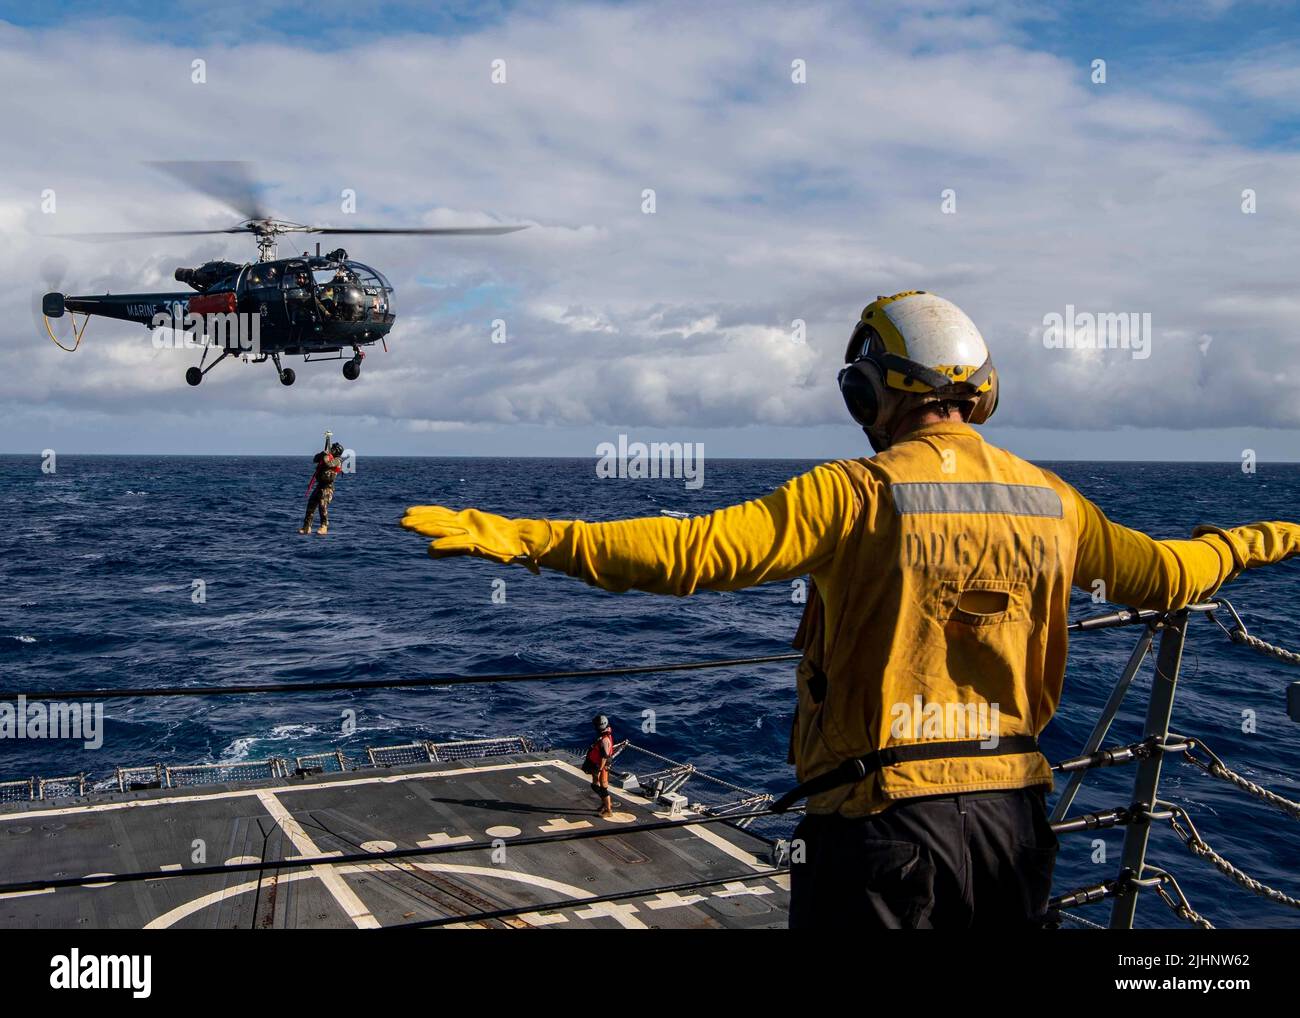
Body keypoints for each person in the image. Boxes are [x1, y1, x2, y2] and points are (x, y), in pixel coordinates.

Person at [398, 290, 1300, 928]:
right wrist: (1275, 536)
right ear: (979, 392)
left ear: (869, 392)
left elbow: (687, 554)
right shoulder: (1055, 504)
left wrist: (520, 536)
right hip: (1015, 825)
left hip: (884, 829)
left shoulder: (856, 495)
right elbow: (1177, 572)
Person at [300, 441, 344, 535]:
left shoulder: (337, 460)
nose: (331, 449)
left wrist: (326, 456)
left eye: (333, 449)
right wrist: (322, 454)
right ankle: (306, 527)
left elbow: (329, 464)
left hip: (327, 488)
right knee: (311, 505)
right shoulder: (327, 456)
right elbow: (315, 459)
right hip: (319, 486)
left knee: (322, 506)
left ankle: (324, 526)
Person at [583, 714, 616, 817]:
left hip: (601, 766)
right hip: (596, 764)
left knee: (603, 788)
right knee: (595, 785)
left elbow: (604, 757)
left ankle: (608, 810)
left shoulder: (604, 739)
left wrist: (600, 769)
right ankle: (605, 803)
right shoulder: (604, 736)